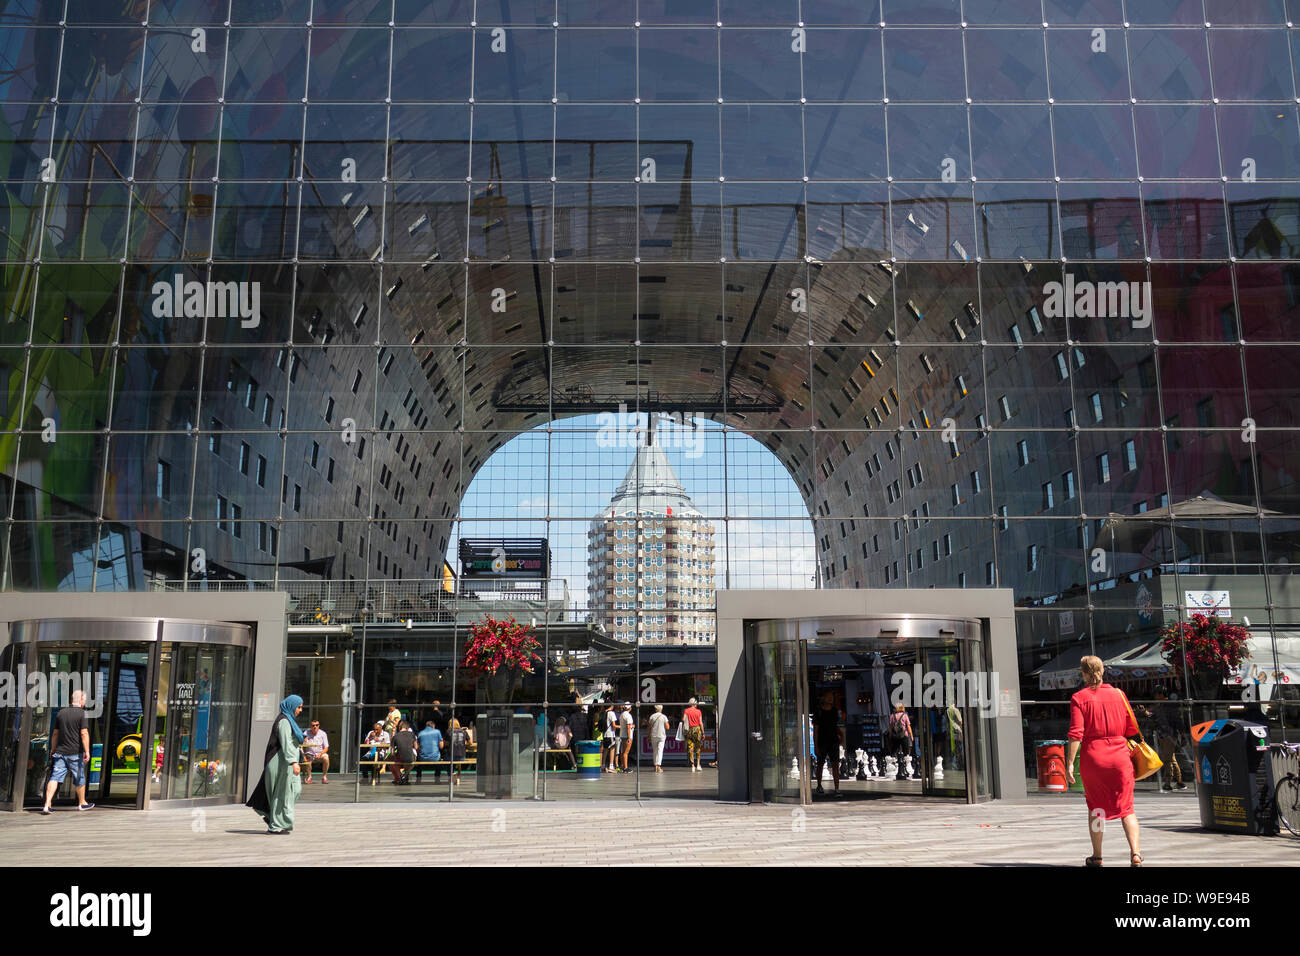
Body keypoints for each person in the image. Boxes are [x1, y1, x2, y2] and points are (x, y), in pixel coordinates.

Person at [1066, 655, 1143, 867]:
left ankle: (1097, 856)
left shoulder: (1079, 698)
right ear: (1103, 671)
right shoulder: (1119, 694)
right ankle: (1135, 854)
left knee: (1096, 808)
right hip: (1120, 757)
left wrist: (1070, 762)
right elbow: (1131, 728)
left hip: (1094, 759)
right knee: (1127, 808)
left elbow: (1076, 734)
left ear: (1083, 673)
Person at [246, 695, 304, 834]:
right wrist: (294, 762)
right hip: (280, 762)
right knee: (281, 793)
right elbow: (286, 743)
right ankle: (276, 825)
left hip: (286, 762)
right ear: (291, 706)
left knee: (294, 790)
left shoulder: (289, 720)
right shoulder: (284, 721)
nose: (300, 710)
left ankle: (274, 817)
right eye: (299, 707)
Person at [42, 688, 93, 814]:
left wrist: (53, 749)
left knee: (55, 777)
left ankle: (47, 804)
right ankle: (82, 803)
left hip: (60, 752)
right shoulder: (82, 713)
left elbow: (55, 734)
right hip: (75, 753)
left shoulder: (61, 713)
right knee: (79, 778)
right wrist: (87, 751)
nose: (85, 702)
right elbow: (84, 733)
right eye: (84, 700)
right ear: (80, 700)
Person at [1152, 688, 1188, 792]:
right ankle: (1180, 782)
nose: (1155, 697)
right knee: (1172, 758)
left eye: (1156, 694)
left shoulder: (1169, 706)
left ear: (1160, 694)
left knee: (1168, 759)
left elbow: (1178, 721)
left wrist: (1182, 735)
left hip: (1170, 735)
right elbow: (1153, 716)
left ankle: (1167, 783)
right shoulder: (1160, 706)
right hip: (1164, 735)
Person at [813, 691, 844, 796]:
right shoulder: (819, 712)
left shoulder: (835, 711)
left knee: (835, 765)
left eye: (832, 697)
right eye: (828, 696)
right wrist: (816, 746)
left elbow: (835, 726)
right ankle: (819, 785)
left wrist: (841, 735)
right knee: (820, 764)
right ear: (824, 698)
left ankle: (837, 788)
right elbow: (815, 731)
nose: (830, 699)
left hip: (833, 741)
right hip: (822, 741)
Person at [888, 704, 913, 780]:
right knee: (906, 751)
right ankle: (905, 766)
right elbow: (908, 726)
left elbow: (890, 727)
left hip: (895, 736)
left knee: (894, 751)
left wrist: (890, 735)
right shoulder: (905, 715)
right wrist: (911, 735)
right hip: (903, 735)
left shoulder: (892, 716)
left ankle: (893, 765)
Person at [300, 719, 330, 783]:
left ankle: (324, 777)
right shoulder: (306, 732)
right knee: (306, 758)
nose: (315, 727)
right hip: (309, 754)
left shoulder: (323, 734)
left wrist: (321, 753)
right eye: (313, 725)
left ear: (319, 726)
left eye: (317, 725)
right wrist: (304, 740)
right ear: (310, 726)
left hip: (320, 754)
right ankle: (309, 777)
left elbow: (326, 748)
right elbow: (301, 744)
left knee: (326, 758)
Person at [391, 720, 417, 785]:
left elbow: (392, 752)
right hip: (410, 758)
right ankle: (405, 774)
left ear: (399, 728)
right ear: (407, 728)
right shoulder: (412, 734)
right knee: (411, 761)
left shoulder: (395, 736)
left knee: (392, 762)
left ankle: (400, 776)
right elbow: (416, 747)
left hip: (400, 758)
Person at [683, 698, 705, 771]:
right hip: (697, 730)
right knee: (698, 747)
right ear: (695, 703)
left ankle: (692, 766)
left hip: (689, 730)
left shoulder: (686, 710)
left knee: (690, 747)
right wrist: (703, 733)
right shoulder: (698, 711)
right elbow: (701, 722)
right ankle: (698, 764)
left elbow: (683, 719)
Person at [648, 704, 670, 773]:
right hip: (661, 736)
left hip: (653, 735)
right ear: (661, 709)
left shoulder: (652, 716)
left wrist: (648, 735)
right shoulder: (664, 717)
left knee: (655, 751)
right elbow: (667, 727)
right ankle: (658, 766)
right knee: (660, 751)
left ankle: (655, 766)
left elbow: (649, 727)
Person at [449, 717, 468, 783]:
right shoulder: (464, 731)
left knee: (445, 760)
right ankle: (457, 776)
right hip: (462, 756)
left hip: (452, 756)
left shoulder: (449, 731)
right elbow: (470, 743)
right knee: (457, 760)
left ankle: (452, 773)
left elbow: (445, 743)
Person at [618, 702, 635, 772]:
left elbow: (626, 725)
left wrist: (632, 726)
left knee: (623, 751)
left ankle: (622, 765)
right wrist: (629, 737)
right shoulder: (628, 716)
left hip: (622, 734)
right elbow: (628, 727)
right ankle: (625, 767)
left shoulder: (622, 715)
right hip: (627, 735)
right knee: (626, 752)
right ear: (630, 708)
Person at [604, 703, 620, 772]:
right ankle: (611, 766)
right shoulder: (611, 713)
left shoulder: (604, 712)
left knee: (606, 749)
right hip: (610, 734)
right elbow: (614, 725)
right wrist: (621, 727)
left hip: (605, 733)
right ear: (611, 706)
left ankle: (603, 765)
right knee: (612, 749)